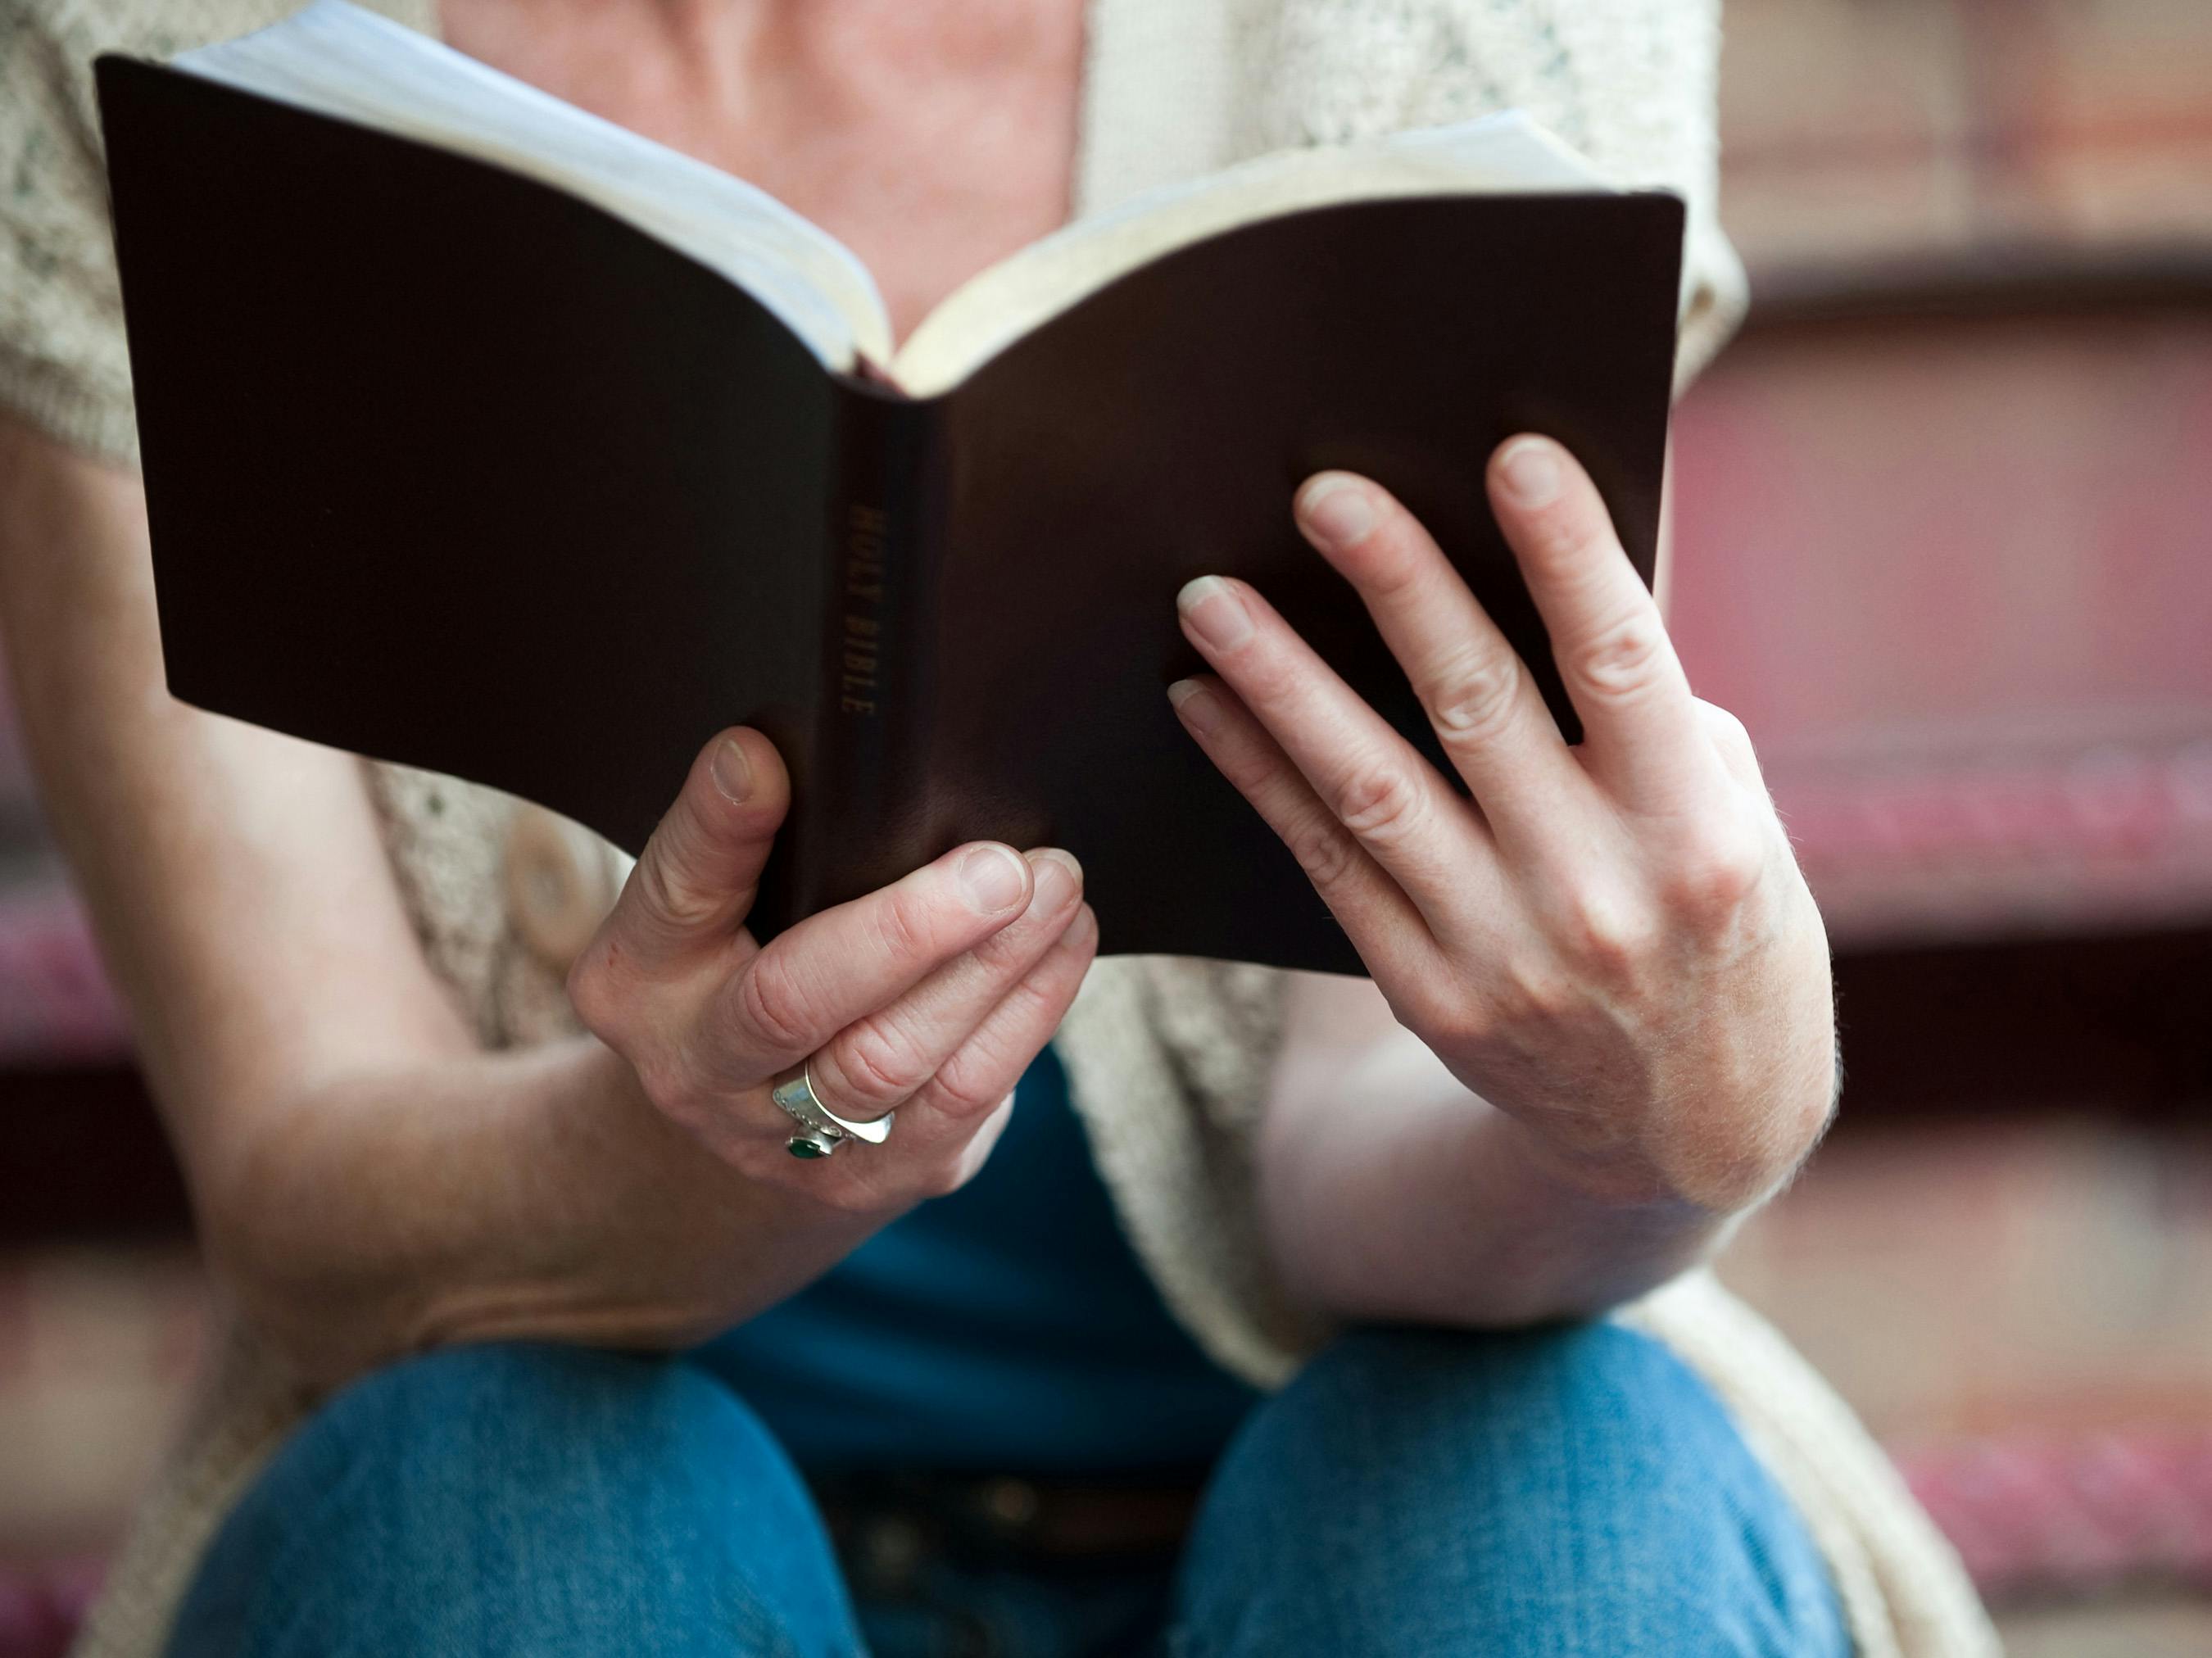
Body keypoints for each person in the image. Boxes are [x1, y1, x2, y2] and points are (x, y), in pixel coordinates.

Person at [0, 0, 1997, 1654]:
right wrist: (746, 1143)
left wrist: (1666, 1134)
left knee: (1546, 1514)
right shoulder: (164, 40)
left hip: (1332, 1486)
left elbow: (1362, 1127)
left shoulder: (1421, 28)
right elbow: (305, 1175)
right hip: (569, 1518)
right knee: (507, 1533)